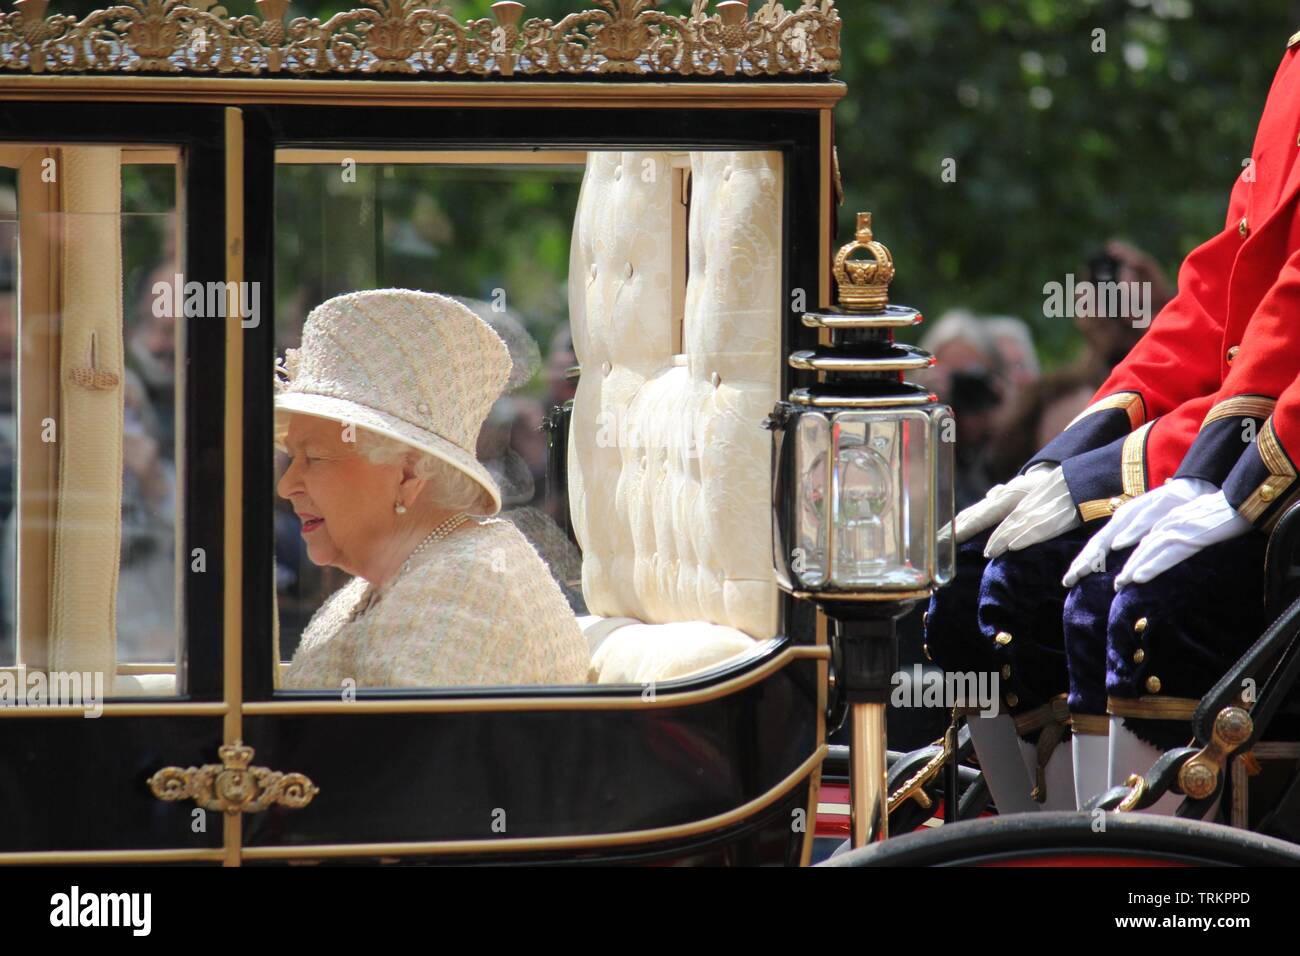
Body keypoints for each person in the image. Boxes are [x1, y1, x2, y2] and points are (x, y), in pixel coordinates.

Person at [928, 30, 1300, 815]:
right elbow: (1213, 299)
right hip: (1239, 420)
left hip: (1278, 441)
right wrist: (1065, 458)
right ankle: (1033, 841)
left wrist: (1230, 476)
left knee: (1128, 595)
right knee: (971, 581)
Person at [275, 289, 588, 689]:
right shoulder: (388, 580)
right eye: (291, 458)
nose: (287, 486)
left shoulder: (462, 590)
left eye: (314, 458)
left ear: (407, 476)